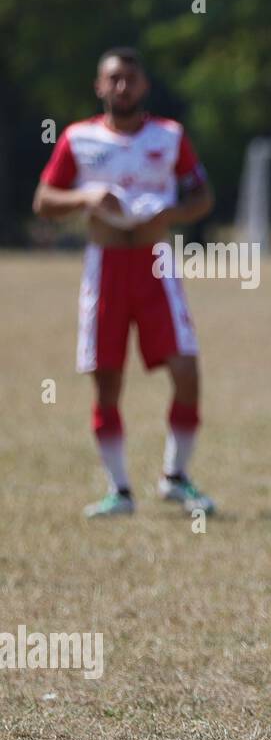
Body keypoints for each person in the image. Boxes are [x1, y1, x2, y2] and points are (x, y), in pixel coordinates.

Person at [33, 47, 218, 517]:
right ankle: (120, 490)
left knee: (185, 371)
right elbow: (44, 200)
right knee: (107, 378)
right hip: (106, 267)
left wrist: (169, 212)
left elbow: (202, 195)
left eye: (130, 79)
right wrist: (85, 195)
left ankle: (175, 477)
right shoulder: (78, 139)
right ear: (99, 85)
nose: (122, 87)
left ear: (144, 86)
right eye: (113, 79)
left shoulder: (170, 136)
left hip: (157, 265)